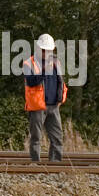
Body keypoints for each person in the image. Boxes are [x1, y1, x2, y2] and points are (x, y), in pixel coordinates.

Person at [24, 33, 67, 163]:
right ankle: (35, 163)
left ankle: (55, 163)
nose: (47, 52)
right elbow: (31, 82)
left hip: (54, 106)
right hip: (37, 107)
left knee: (57, 137)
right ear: (38, 49)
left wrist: (60, 99)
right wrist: (43, 71)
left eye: (49, 50)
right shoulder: (28, 63)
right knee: (36, 137)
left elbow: (61, 81)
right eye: (44, 50)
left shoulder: (56, 62)